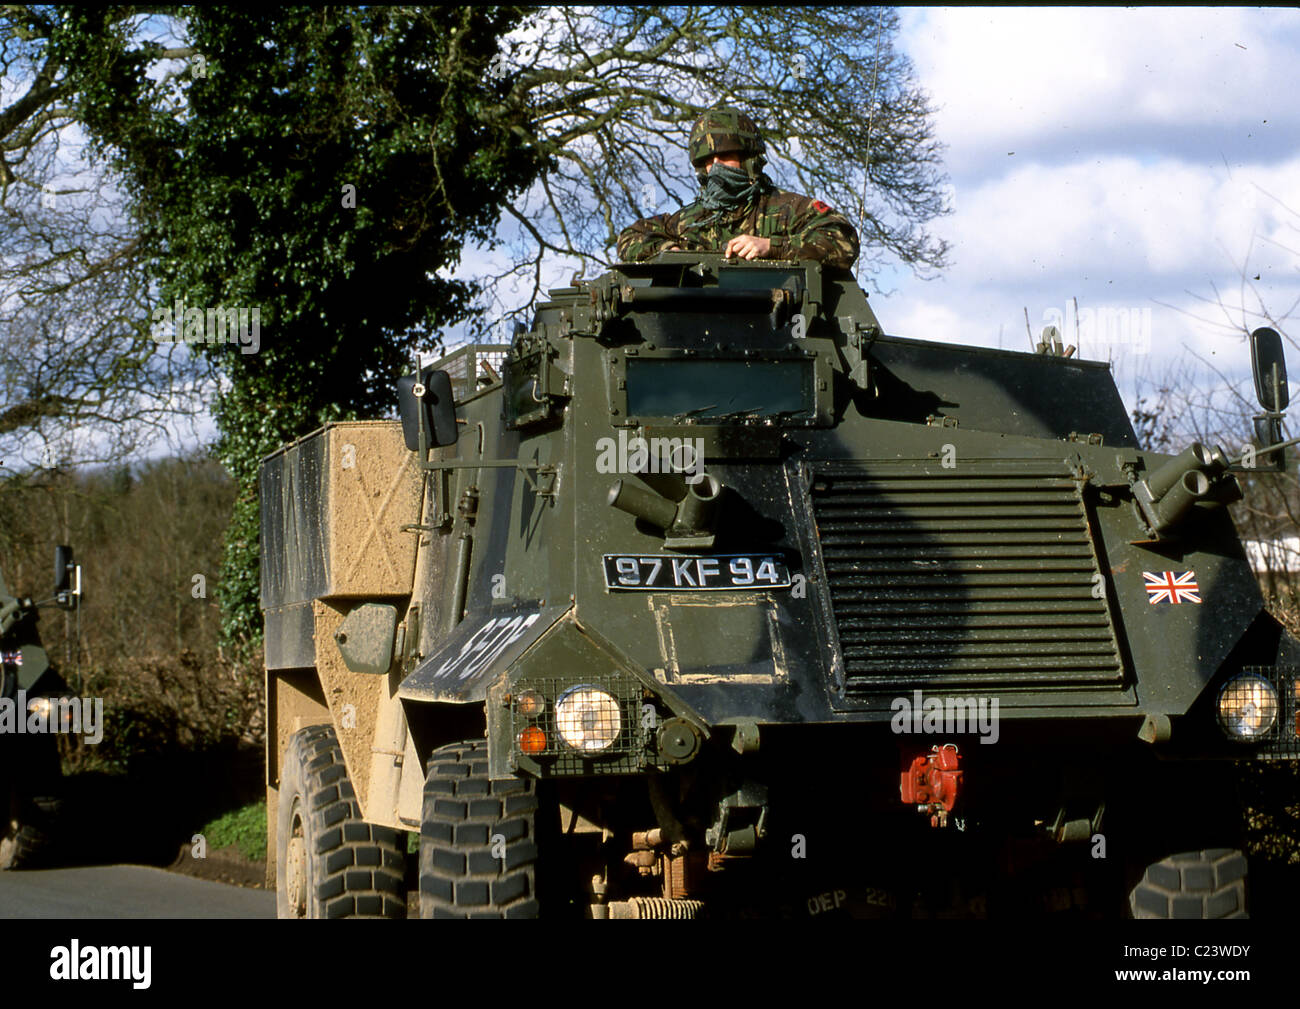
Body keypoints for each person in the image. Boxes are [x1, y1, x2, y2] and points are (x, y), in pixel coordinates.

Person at [616, 107, 860, 269]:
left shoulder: (789, 209)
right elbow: (629, 237)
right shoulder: (688, 221)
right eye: (708, 161)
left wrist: (772, 247)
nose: (716, 167)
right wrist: (670, 251)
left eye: (725, 156)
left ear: (749, 159)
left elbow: (842, 239)